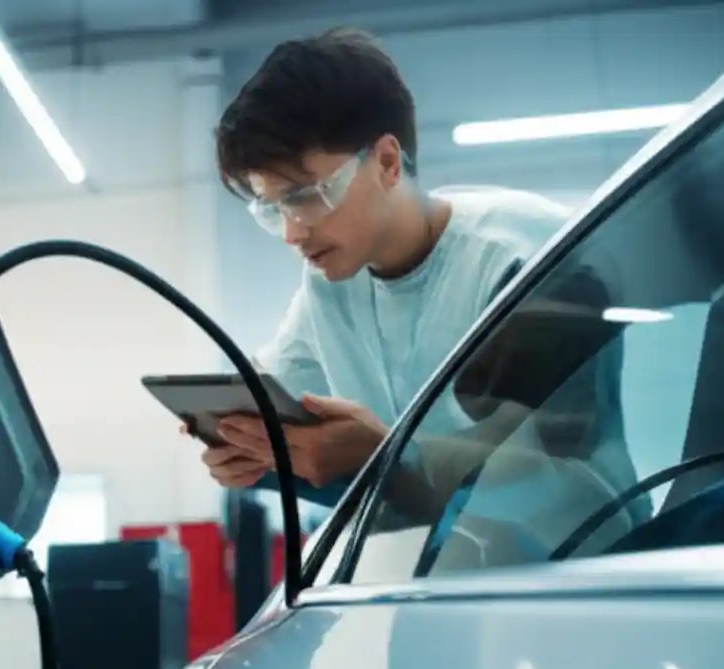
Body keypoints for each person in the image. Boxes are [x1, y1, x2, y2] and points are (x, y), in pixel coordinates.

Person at [196, 27, 571, 503]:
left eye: (307, 197)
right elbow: (267, 393)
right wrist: (240, 444)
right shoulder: (330, 288)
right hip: (443, 562)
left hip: (579, 559)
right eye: (274, 210)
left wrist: (383, 454)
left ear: (387, 162)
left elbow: (554, 469)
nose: (292, 233)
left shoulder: (518, 259)